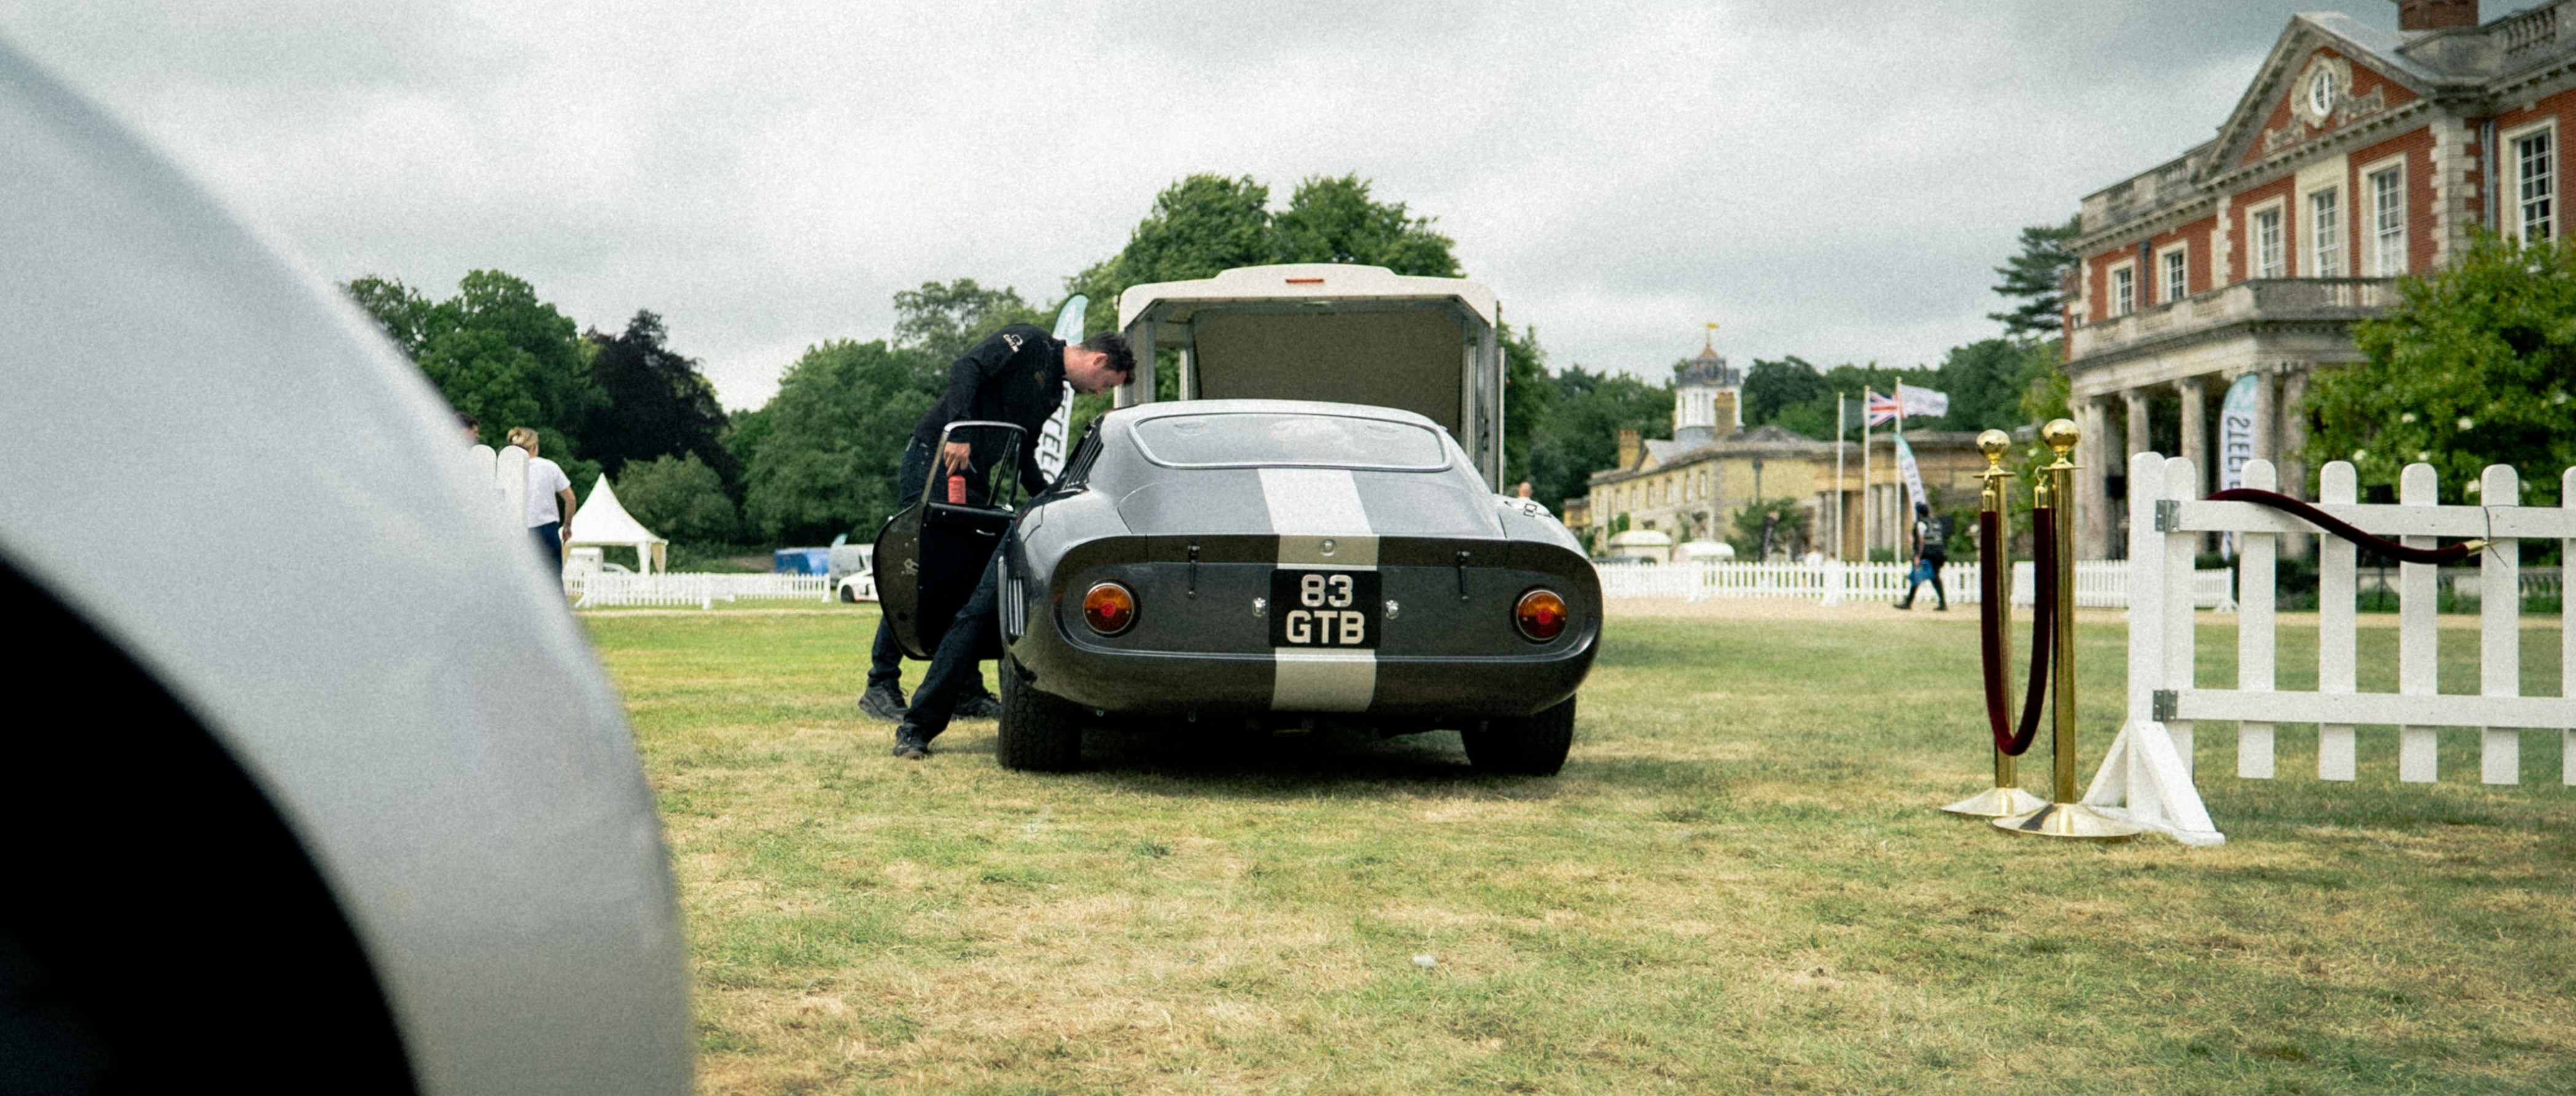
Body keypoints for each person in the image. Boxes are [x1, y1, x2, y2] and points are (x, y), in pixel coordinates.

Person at [864, 324, 1134, 754]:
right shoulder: (1029, 342)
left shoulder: (1052, 396)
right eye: (1106, 384)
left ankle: (967, 690)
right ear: (1100, 361)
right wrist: (961, 432)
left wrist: (1052, 497)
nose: (1100, 393)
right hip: (934, 458)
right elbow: (966, 367)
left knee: (967, 578)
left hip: (968, 474)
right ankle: (880, 682)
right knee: (926, 571)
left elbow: (1023, 453)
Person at [509, 427, 576, 567]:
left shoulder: (510, 469)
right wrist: (567, 525)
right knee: (552, 581)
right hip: (547, 528)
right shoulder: (550, 467)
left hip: (518, 530)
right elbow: (571, 499)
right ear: (534, 447)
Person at [1895, 501, 1947, 611]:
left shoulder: (1921, 524)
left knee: (1916, 575)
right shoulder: (1935, 523)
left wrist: (1918, 555)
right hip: (1939, 553)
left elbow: (1921, 540)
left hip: (1927, 554)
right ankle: (1943, 603)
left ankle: (1908, 602)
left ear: (1919, 513)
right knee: (1935, 578)